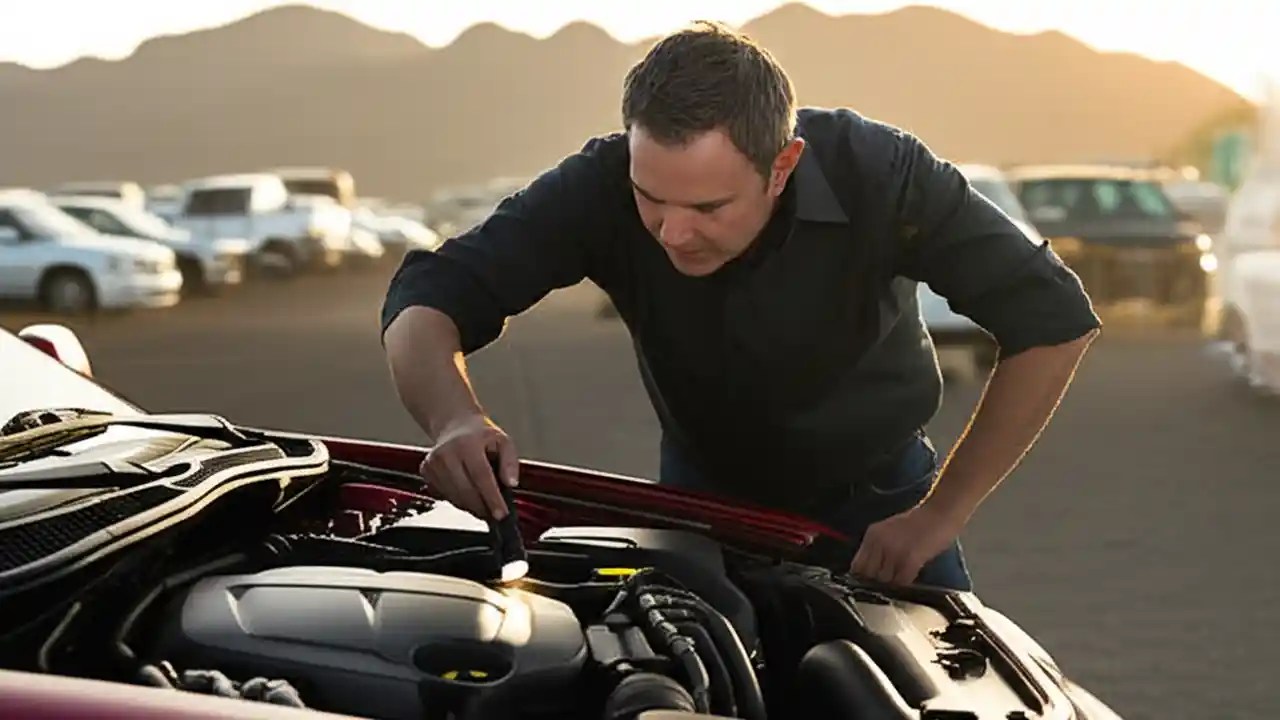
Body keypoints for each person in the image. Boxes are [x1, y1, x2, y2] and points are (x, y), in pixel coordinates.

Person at [380, 21, 1101, 592]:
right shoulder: (599, 183)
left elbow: (1053, 321)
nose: (672, 231)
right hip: (700, 499)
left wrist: (940, 515)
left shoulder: (884, 175)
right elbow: (430, 294)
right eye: (650, 199)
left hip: (884, 504)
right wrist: (453, 417)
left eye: (707, 205)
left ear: (782, 166)